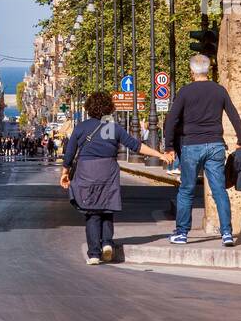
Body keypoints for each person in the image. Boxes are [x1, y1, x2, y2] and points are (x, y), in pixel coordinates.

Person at [60, 90, 170, 264]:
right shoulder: (113, 128)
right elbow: (136, 146)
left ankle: (94, 254)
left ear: (89, 108)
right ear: (108, 108)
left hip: (87, 171)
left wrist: (65, 172)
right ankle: (107, 243)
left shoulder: (81, 127)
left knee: (92, 212)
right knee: (107, 208)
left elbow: (70, 153)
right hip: (108, 170)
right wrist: (160, 154)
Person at [164, 53, 241, 248]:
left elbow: (172, 120)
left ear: (192, 72)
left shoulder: (185, 92)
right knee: (219, 191)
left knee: (186, 190)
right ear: (208, 70)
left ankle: (182, 233)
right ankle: (227, 233)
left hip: (191, 145)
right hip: (216, 145)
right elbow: (234, 116)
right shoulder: (219, 90)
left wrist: (168, 147)